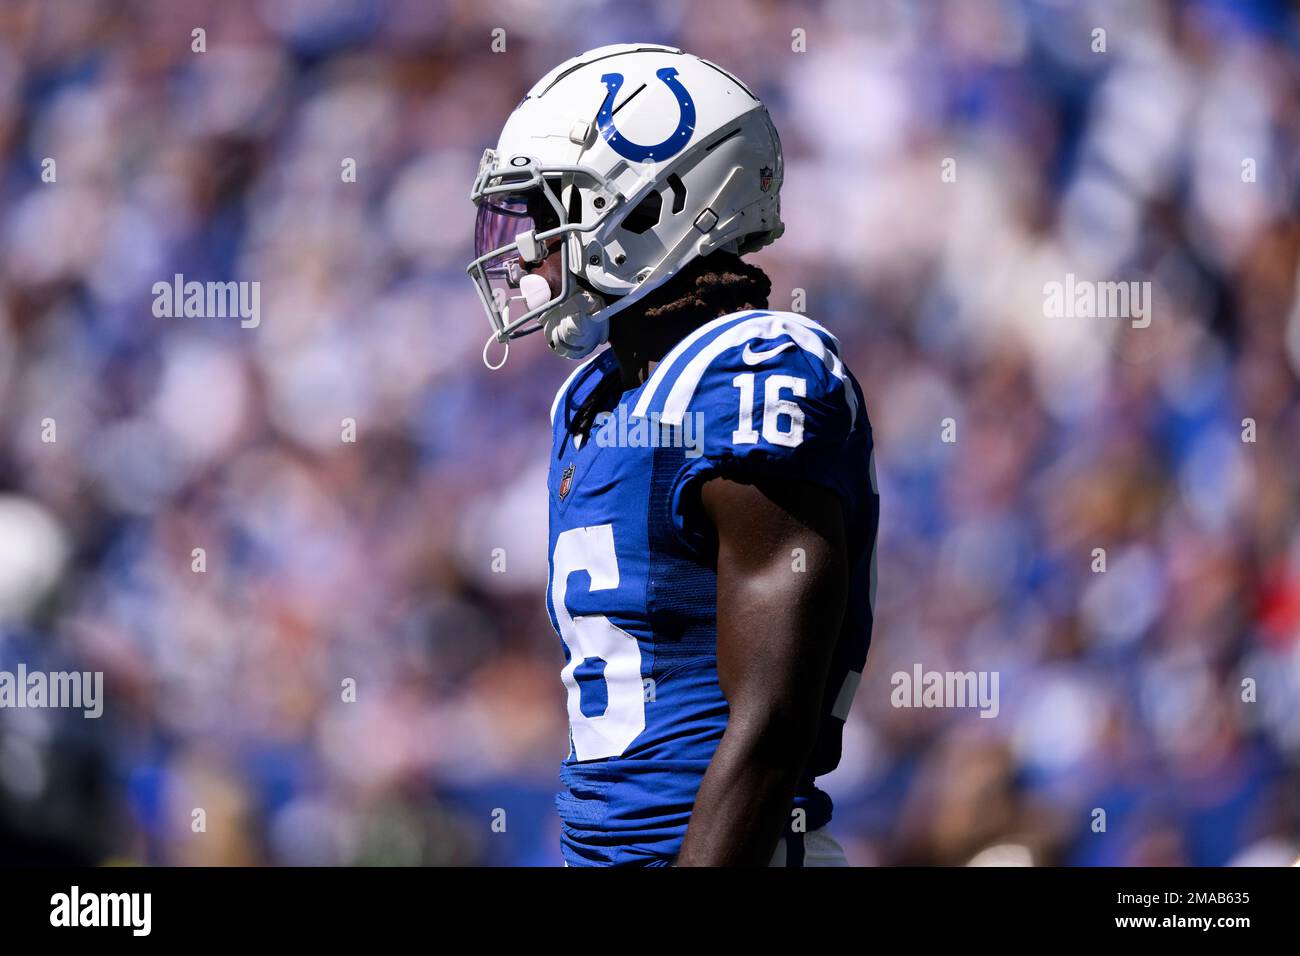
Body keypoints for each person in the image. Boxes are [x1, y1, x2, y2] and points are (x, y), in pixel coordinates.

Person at [467, 43, 878, 866]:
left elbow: (773, 721)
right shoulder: (596, 396)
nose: (525, 253)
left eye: (551, 215)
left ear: (651, 206)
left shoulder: (751, 371)